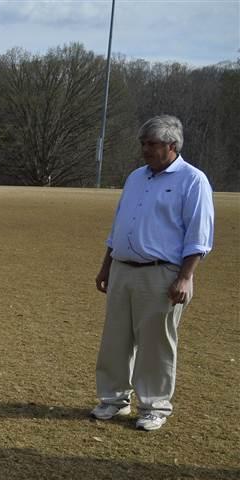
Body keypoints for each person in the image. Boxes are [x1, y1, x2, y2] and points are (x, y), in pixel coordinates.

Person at [92, 115, 214, 432]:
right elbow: (119, 225)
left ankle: (154, 406)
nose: (145, 149)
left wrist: (185, 277)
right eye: (143, 144)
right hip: (122, 269)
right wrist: (107, 264)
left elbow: (198, 236)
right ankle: (113, 399)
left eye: (152, 144)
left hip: (162, 274)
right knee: (115, 340)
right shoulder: (136, 177)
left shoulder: (193, 180)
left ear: (171, 145)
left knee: (155, 344)